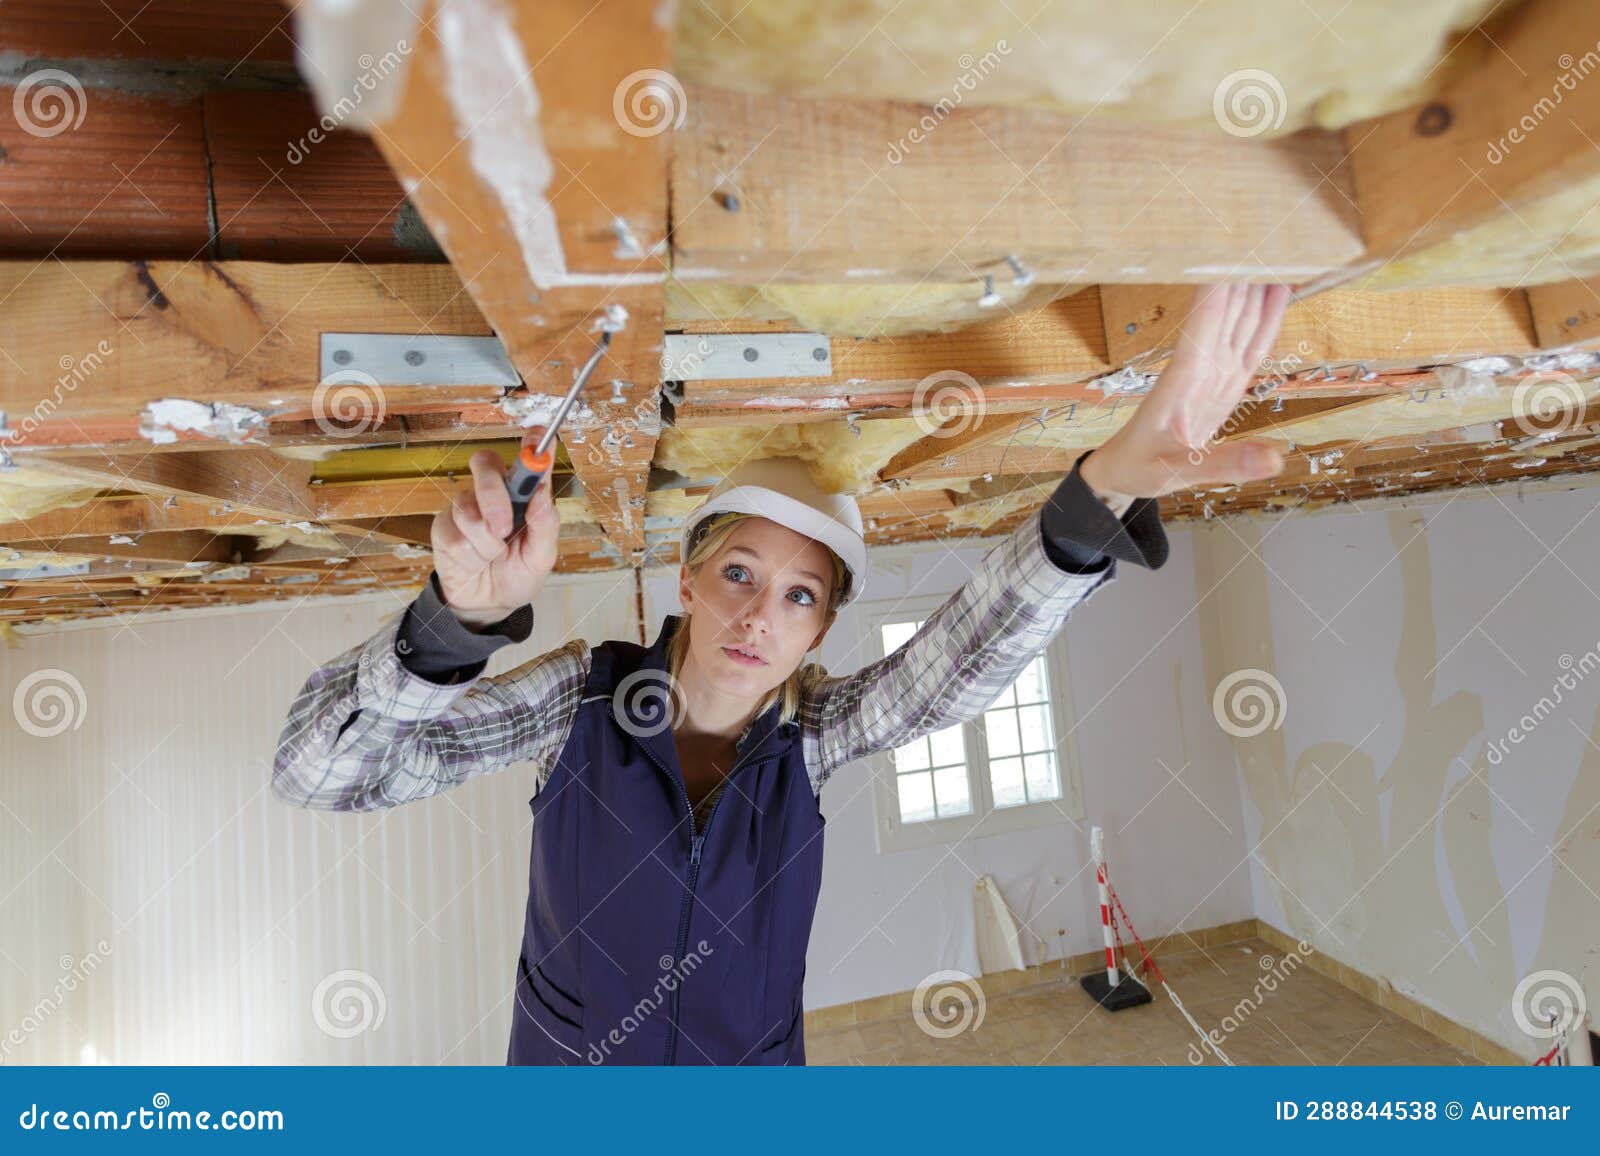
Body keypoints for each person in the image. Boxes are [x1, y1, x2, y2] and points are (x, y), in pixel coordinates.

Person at [273, 283, 1291, 1065]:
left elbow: (955, 666)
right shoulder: (576, 699)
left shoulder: (814, 738)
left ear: (821, 628)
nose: (761, 613)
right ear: (686, 575)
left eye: (801, 595)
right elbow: (319, 774)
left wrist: (1099, 492)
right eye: (739, 573)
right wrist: (459, 621)